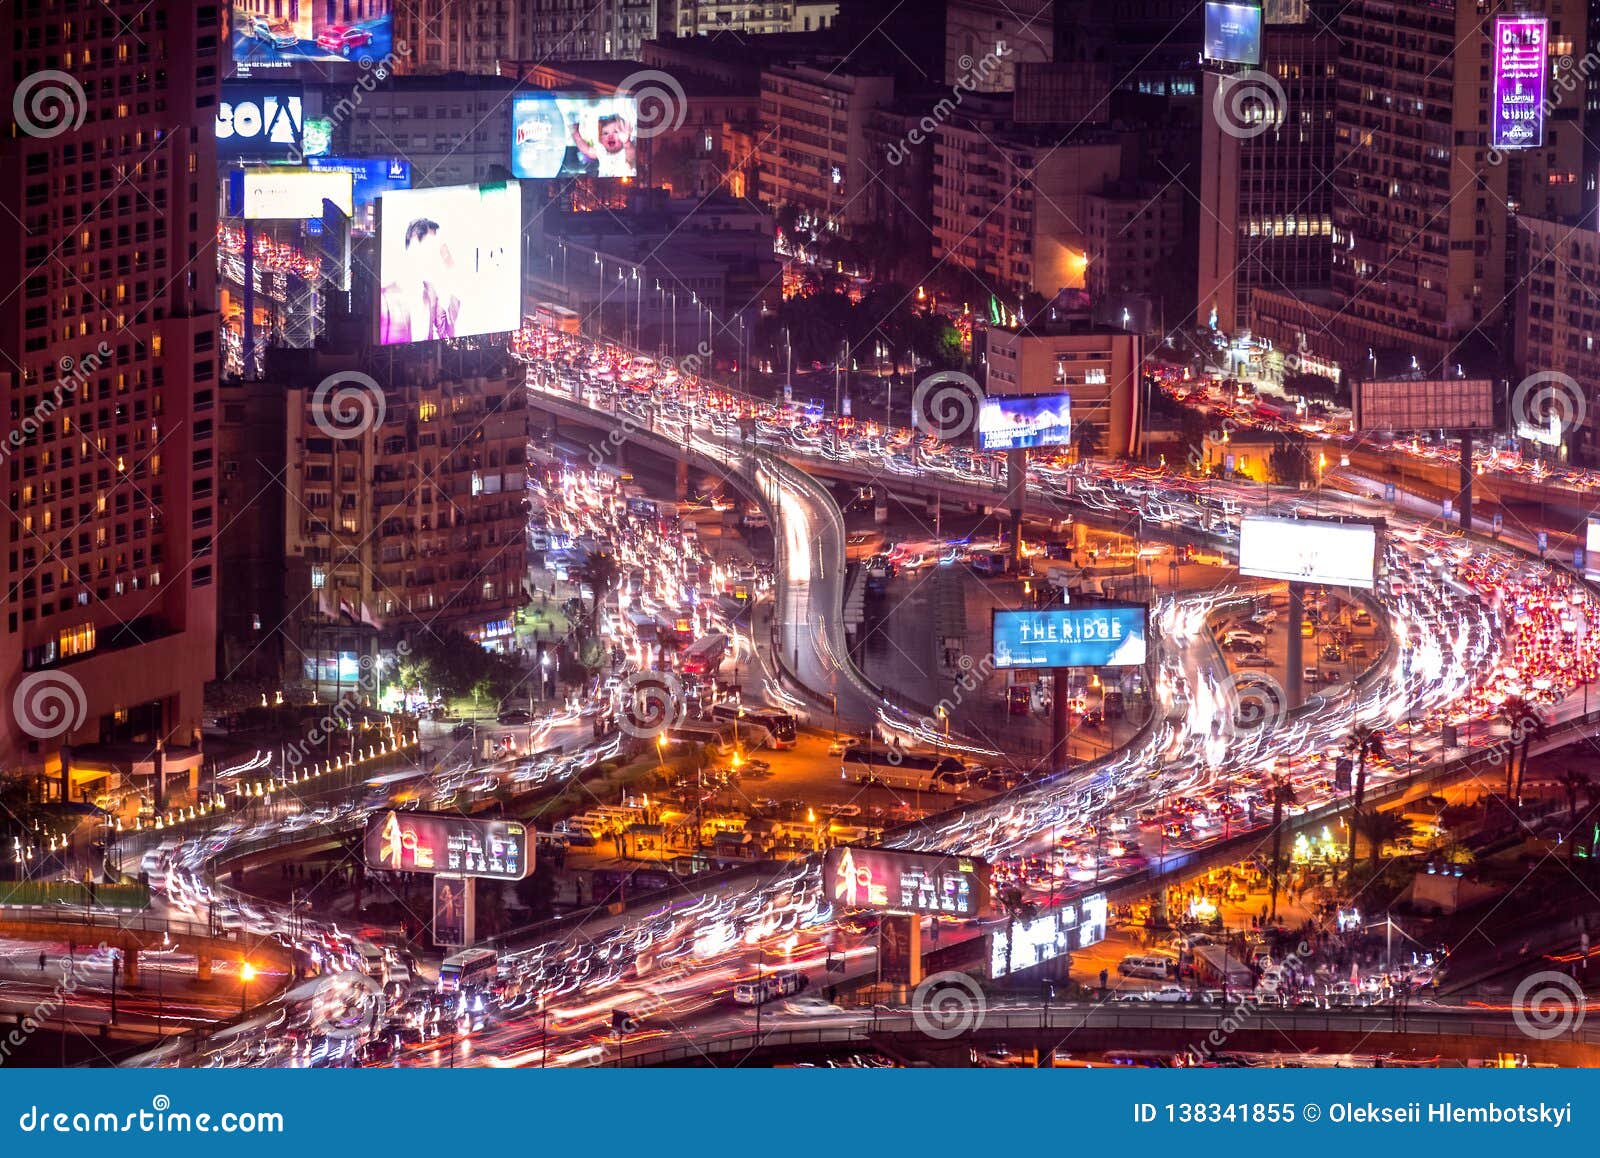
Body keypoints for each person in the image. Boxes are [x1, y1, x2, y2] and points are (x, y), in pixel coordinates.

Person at [380, 217, 460, 344]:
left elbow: (447, 332)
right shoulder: (385, 297)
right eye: (433, 246)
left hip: (424, 355)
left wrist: (450, 266)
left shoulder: (430, 292)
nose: (438, 255)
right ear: (415, 241)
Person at [569, 112, 636, 177]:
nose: (610, 136)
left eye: (615, 132)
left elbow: (631, 156)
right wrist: (575, 133)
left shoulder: (625, 151)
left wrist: (626, 142)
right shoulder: (602, 151)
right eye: (605, 133)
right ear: (600, 139)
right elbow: (587, 150)